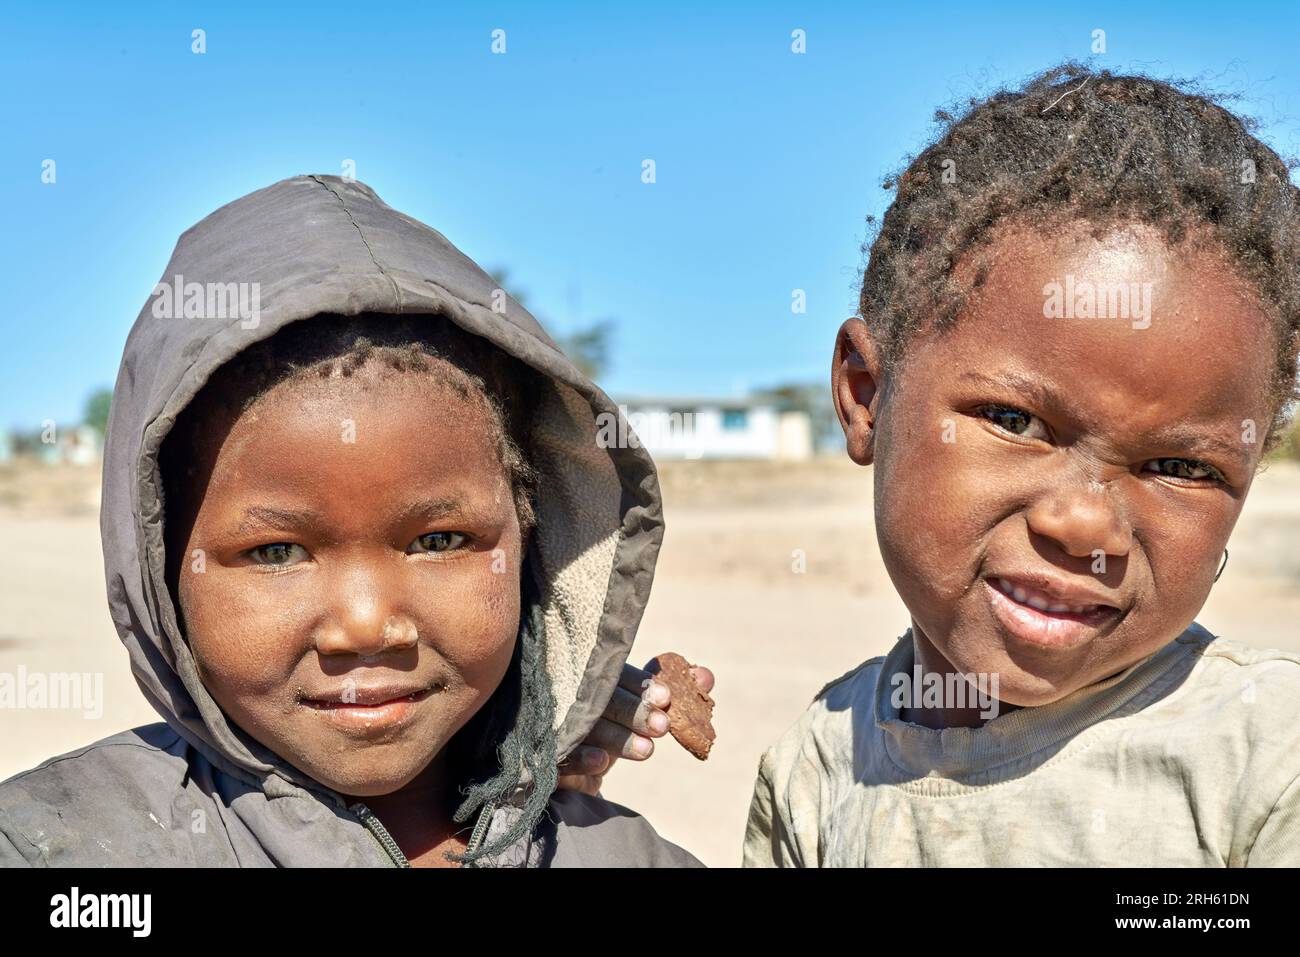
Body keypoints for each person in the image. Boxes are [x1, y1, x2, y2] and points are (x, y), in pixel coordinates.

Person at [0, 175, 706, 867]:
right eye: (276, 551)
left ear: (532, 544)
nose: (368, 625)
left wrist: (541, 745)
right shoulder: (59, 845)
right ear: (161, 571)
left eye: (438, 540)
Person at [745, 64, 1300, 866]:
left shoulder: (1263, 764)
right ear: (867, 396)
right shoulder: (819, 769)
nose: (1086, 526)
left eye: (1180, 465)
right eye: (1016, 421)